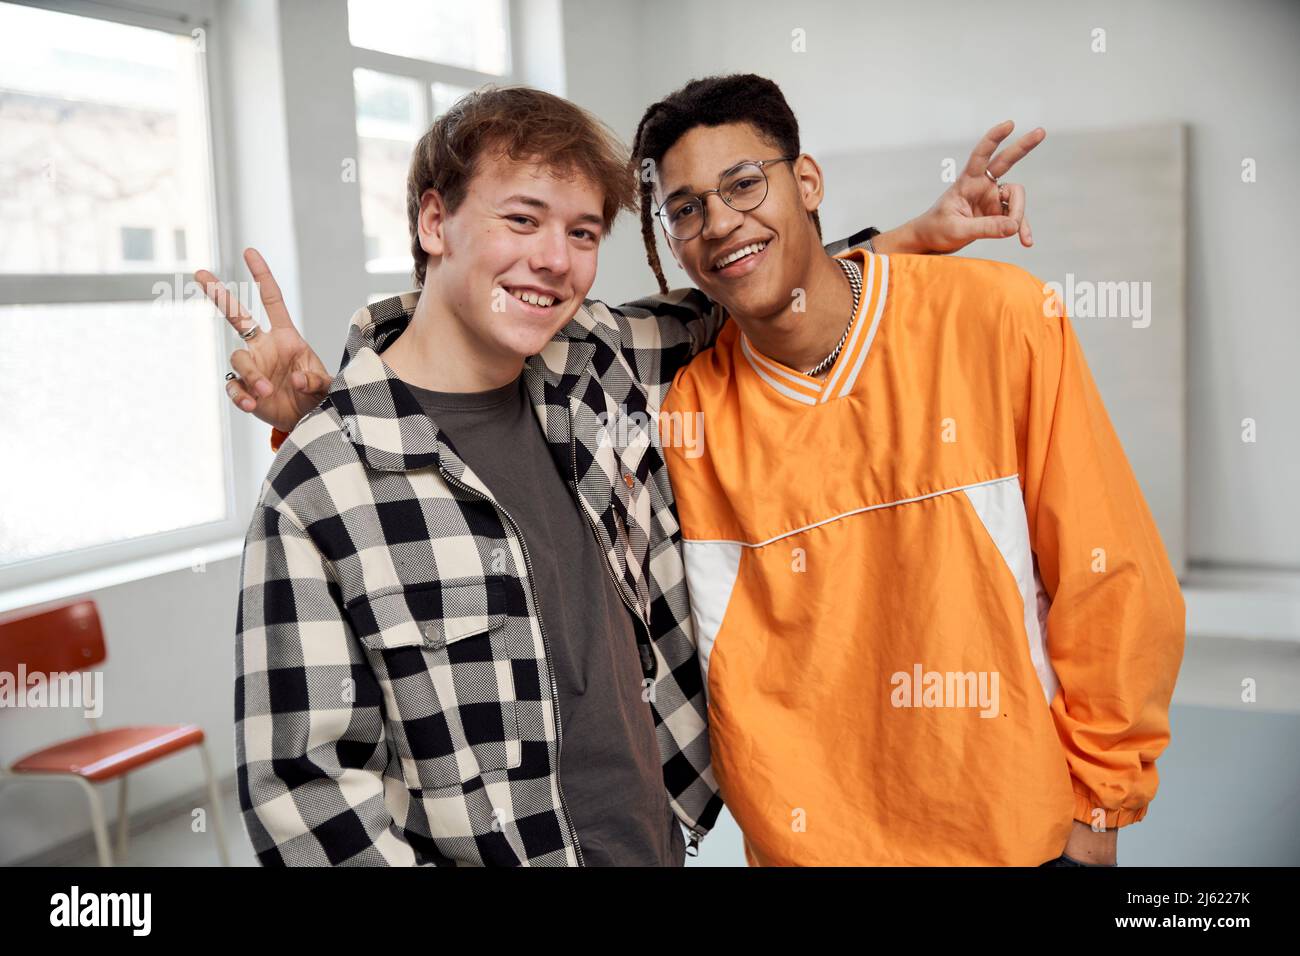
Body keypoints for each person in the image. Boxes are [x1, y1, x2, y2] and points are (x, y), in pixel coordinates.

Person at [206, 85, 1043, 866]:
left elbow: (758, 287)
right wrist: (317, 410)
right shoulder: (323, 483)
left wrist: (922, 233)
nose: (555, 261)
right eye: (523, 219)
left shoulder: (593, 363)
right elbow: (307, 795)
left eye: (581, 233)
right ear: (435, 221)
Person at [632, 74, 1185, 866]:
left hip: (1012, 836)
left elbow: (1116, 578)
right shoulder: (690, 412)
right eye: (684, 208)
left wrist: (1099, 808)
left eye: (744, 183)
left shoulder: (998, 319)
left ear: (808, 180)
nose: (719, 222)